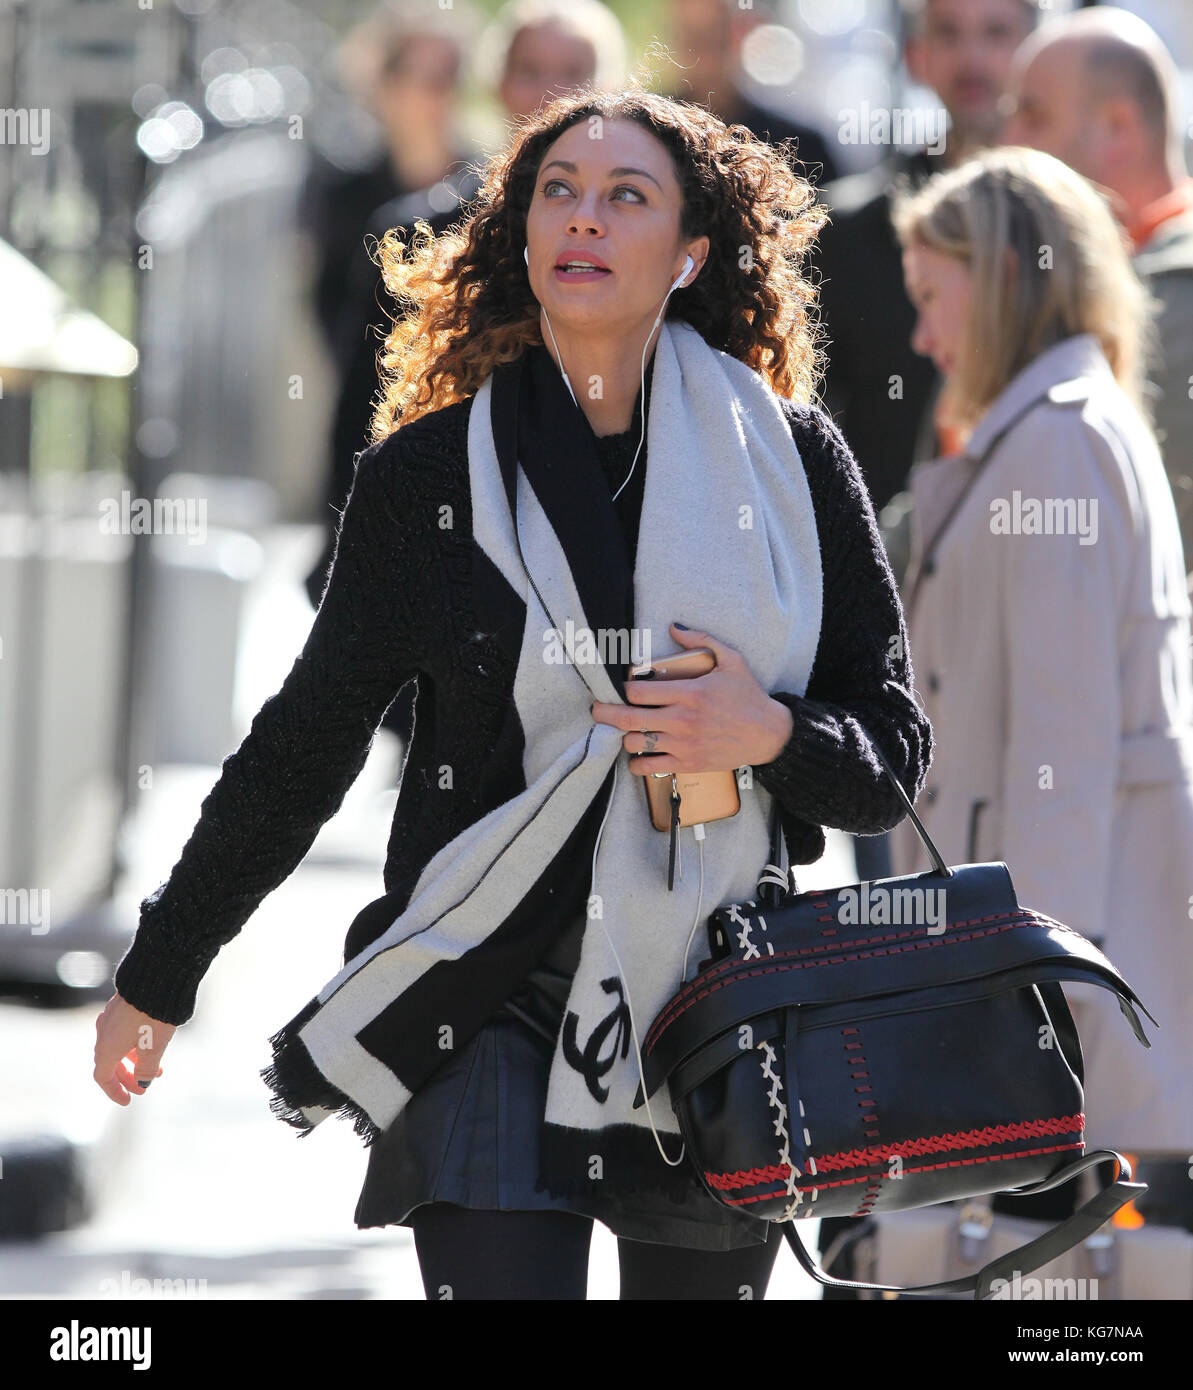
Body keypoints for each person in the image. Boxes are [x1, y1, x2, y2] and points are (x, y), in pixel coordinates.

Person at [97, 86, 934, 1301]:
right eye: (559, 192)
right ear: (523, 233)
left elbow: (890, 750)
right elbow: (301, 749)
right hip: (475, 985)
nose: (582, 218)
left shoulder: (794, 464)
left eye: (625, 196)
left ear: (690, 254)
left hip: (710, 993)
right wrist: (157, 972)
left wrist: (764, 731)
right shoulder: (426, 480)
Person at [890, 146, 1193, 1241]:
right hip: (1068, 955)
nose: (922, 336)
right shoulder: (1063, 426)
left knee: (1063, 1284)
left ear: (1004, 276)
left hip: (1052, 976)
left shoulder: (1055, 442)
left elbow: (1060, 750)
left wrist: (1035, 992)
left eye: (932, 296)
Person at [1003, 4, 1193, 586]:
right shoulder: (1106, 283)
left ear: (1118, 125)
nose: (1009, 142)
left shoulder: (1170, 304)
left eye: (1033, 117)